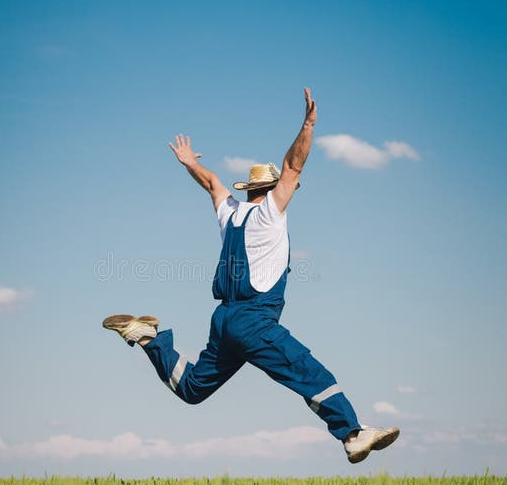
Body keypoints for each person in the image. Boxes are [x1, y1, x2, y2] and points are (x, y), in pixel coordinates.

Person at [103, 87, 399, 464]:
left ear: (249, 189)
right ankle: (353, 434)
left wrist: (188, 162)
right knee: (305, 370)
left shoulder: (231, 213)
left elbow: (212, 182)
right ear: (274, 189)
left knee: (193, 388)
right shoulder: (270, 213)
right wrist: (307, 125)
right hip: (253, 319)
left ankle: (149, 340)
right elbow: (293, 166)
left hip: (224, 319)